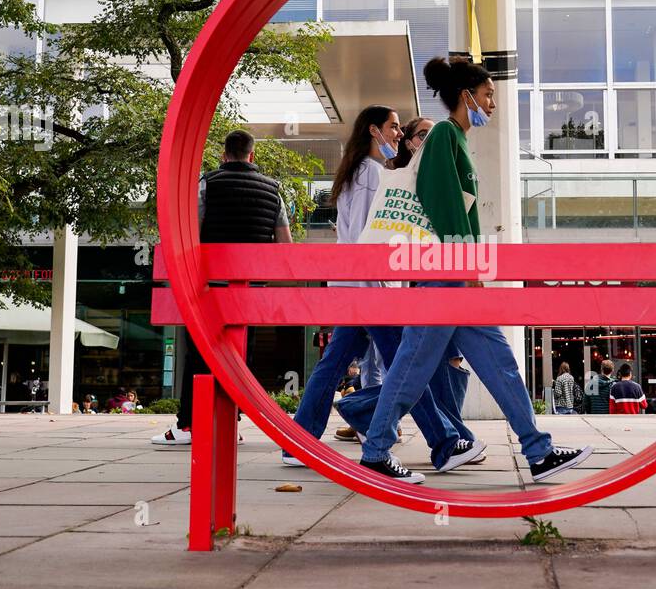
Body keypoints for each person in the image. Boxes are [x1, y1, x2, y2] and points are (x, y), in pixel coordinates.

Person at [354, 55, 591, 483]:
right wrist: (467, 266)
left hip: (453, 272)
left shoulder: (457, 138)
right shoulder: (445, 133)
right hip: (444, 274)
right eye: (488, 95)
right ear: (467, 96)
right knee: (410, 369)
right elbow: (443, 203)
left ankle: (537, 450)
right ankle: (374, 451)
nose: (493, 104)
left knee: (499, 361)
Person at [284, 105, 483, 473]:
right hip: (371, 289)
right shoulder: (371, 175)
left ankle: (298, 442)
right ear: (373, 130)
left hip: (357, 288)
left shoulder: (359, 173)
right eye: (392, 127)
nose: (397, 134)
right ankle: (443, 442)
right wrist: (380, 285)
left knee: (335, 366)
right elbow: (367, 239)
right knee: (405, 367)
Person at [153, 129, 293, 446]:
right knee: (239, 355)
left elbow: (191, 232)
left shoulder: (207, 183)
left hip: (210, 289)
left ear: (224, 154)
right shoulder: (274, 191)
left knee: (200, 354)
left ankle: (188, 425)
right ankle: (230, 424)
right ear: (251, 156)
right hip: (250, 294)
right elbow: (285, 245)